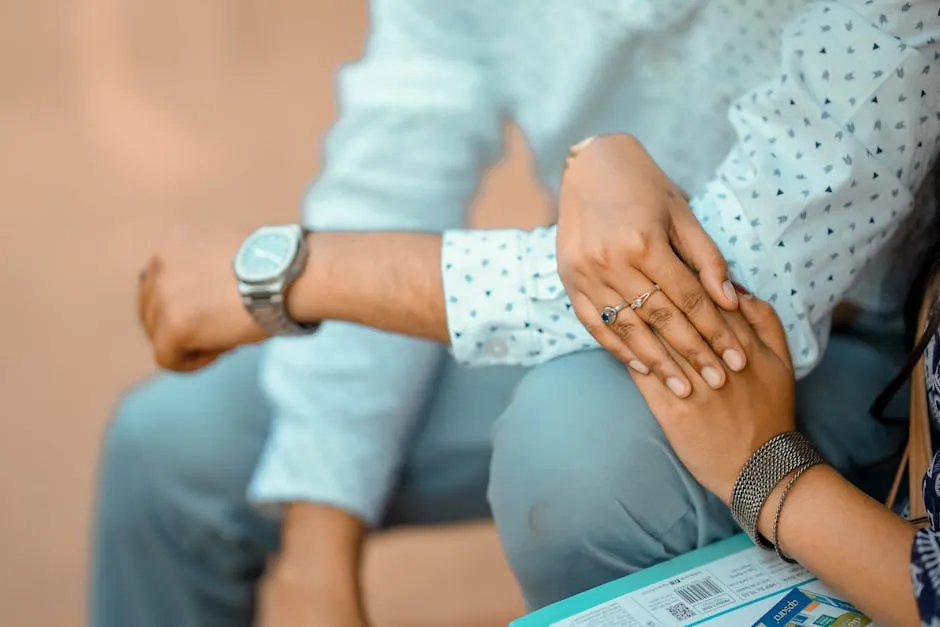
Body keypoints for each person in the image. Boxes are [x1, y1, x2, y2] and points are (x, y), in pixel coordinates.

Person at [93, 1, 940, 626]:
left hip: (847, 344)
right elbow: (394, 168)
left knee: (571, 458)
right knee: (172, 446)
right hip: (567, 296)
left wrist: (295, 274)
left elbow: (740, 283)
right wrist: (321, 536)